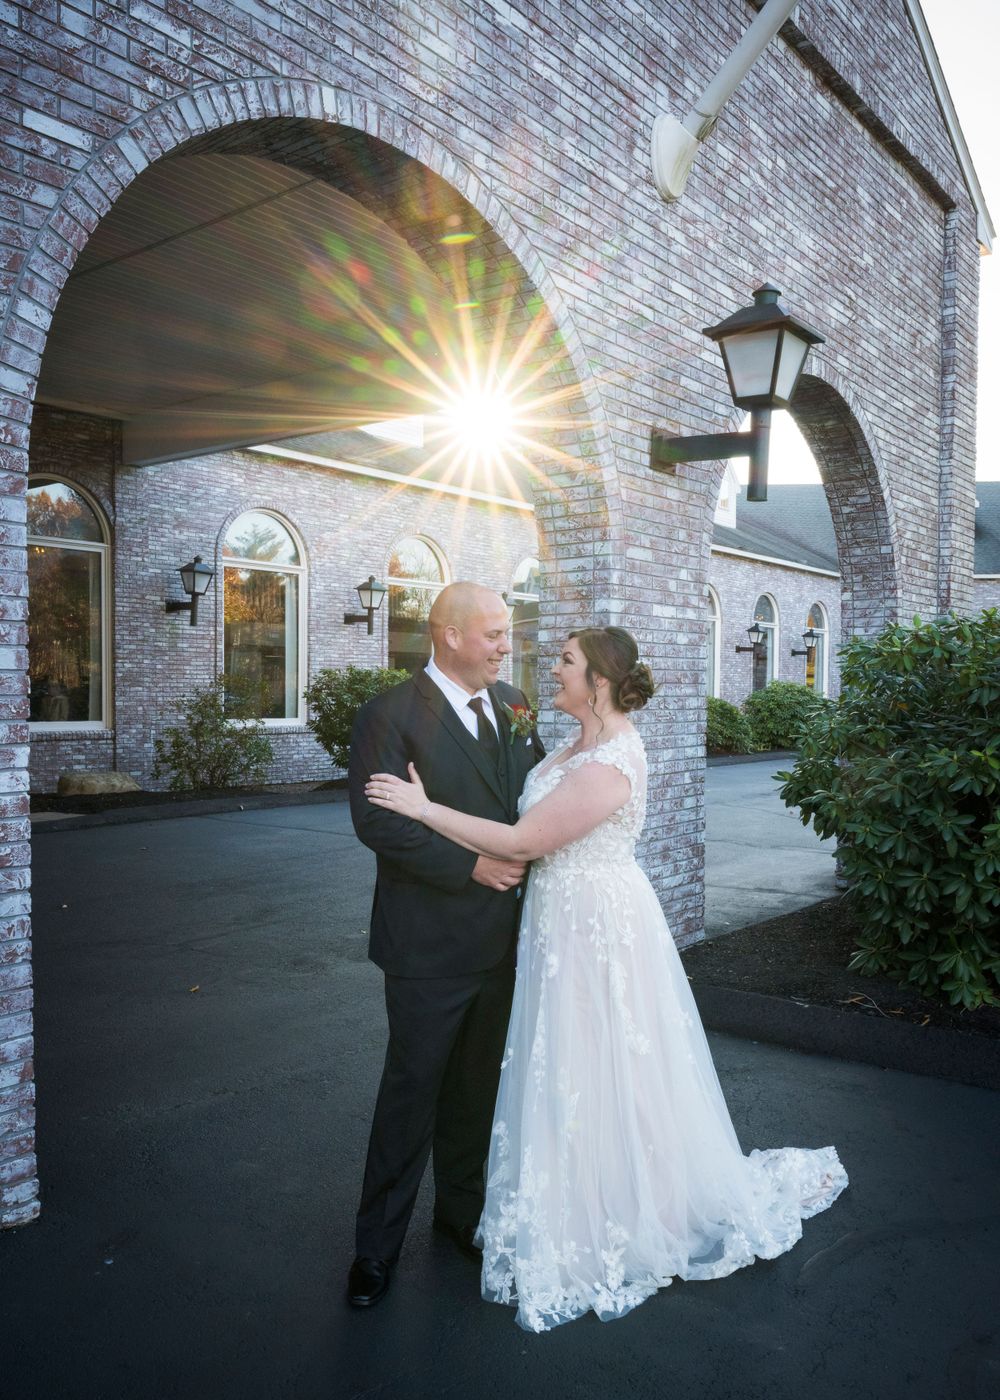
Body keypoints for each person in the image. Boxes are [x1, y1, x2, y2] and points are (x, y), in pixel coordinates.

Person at [366, 625, 849, 1331]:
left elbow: (527, 840)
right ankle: (575, 1186)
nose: (548, 669)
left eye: (565, 661)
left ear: (598, 680)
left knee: (606, 1058)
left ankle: (622, 1205)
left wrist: (422, 809)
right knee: (567, 1060)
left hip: (596, 927)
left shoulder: (614, 757)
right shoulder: (566, 743)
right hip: (555, 919)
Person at [346, 581, 544, 1308]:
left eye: (506, 633)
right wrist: (473, 864)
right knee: (411, 1096)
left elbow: (537, 792)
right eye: (492, 632)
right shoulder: (389, 715)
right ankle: (375, 1251)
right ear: (449, 634)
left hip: (505, 942)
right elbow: (382, 825)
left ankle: (463, 1219)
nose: (505, 644)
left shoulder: (516, 705)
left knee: (474, 1095)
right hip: (428, 949)